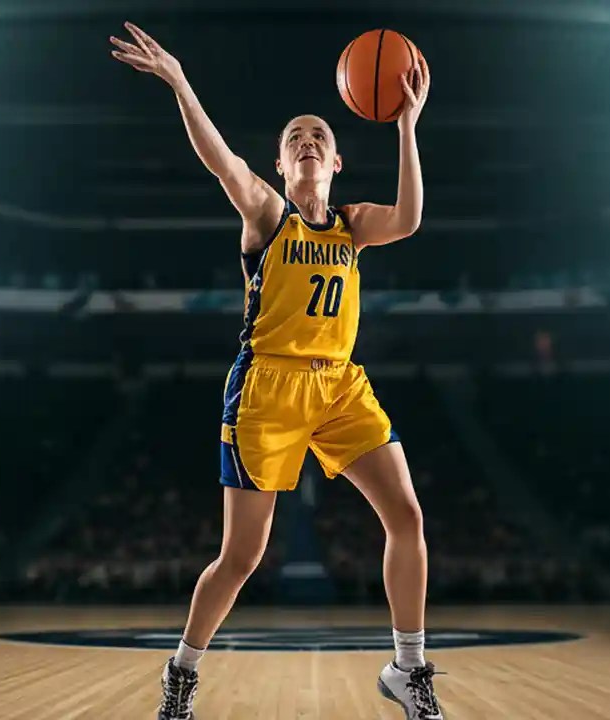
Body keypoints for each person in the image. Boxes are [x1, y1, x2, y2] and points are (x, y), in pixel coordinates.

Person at [110, 22, 442, 720]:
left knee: (407, 516)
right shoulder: (266, 214)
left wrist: (408, 123)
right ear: (283, 166)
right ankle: (182, 672)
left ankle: (408, 668)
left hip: (340, 384)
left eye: (319, 135)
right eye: (295, 138)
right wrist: (179, 81)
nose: (307, 141)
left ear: (338, 161)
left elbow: (410, 219)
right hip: (267, 388)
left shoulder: (353, 223)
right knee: (240, 558)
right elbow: (220, 160)